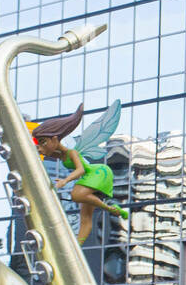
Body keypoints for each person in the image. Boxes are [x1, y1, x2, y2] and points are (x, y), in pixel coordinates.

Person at [31, 104, 128, 243]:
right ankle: (78, 246)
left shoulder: (72, 152)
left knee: (77, 194)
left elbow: (81, 170)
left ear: (54, 139)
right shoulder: (59, 155)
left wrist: (65, 181)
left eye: (42, 142)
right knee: (86, 218)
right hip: (89, 178)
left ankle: (111, 208)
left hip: (98, 173)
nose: (40, 148)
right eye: (38, 144)